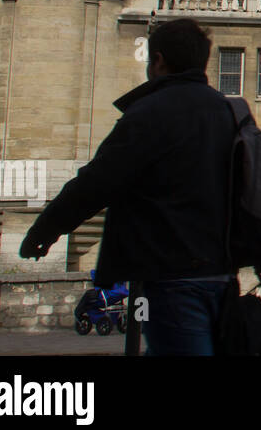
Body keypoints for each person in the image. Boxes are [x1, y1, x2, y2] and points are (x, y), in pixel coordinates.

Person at [18, 19, 236, 355]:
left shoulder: (150, 112)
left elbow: (98, 181)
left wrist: (45, 229)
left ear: (159, 60)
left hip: (170, 269)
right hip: (220, 270)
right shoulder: (228, 111)